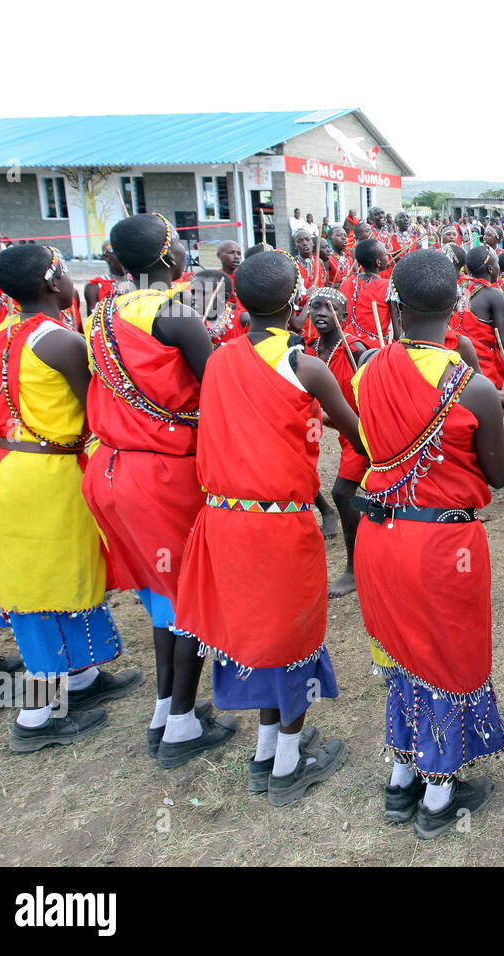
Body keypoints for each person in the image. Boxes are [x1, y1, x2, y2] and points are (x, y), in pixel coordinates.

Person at [352, 249, 504, 838]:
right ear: (458, 305)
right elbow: (499, 474)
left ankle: (402, 778)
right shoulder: (473, 385)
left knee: (402, 655)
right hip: (442, 542)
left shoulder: (366, 369)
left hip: (379, 538)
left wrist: (485, 415)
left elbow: (382, 440)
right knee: (446, 657)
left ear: (394, 305)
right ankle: (436, 793)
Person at [173, 250, 363, 806]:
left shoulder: (218, 358)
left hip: (222, 520)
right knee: (291, 637)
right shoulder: (307, 366)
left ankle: (266, 750)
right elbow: (363, 437)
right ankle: (287, 764)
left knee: (257, 635)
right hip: (277, 527)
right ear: (297, 300)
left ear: (238, 302)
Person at [0, 245, 142, 751]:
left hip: (16, 468)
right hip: (41, 474)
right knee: (41, 589)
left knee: (66, 571)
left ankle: (82, 680)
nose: (71, 279)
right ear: (51, 284)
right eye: (65, 271)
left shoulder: (2, 333)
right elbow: (97, 408)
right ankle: (36, 716)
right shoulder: (61, 342)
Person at [82, 214, 234, 767]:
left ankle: (166, 708)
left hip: (112, 469)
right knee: (186, 596)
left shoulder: (101, 312)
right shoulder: (175, 312)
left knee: (161, 599)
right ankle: (181, 726)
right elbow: (222, 388)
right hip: (163, 474)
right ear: (172, 257)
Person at [302, 287, 370, 599]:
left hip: (364, 431)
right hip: (339, 430)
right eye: (315, 307)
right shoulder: (310, 349)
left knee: (342, 492)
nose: (320, 314)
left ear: (343, 315)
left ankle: (355, 569)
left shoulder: (354, 348)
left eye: (329, 308)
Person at [453, 246, 504, 389]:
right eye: (496, 263)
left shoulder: (462, 286)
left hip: (457, 365)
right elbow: (503, 344)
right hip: (483, 370)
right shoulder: (494, 294)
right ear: (491, 269)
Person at [339, 238, 392, 347]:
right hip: (374, 347)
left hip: (346, 341)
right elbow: (397, 328)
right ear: (378, 262)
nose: (388, 257)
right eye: (385, 255)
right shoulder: (388, 286)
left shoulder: (347, 282)